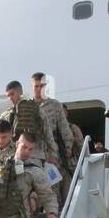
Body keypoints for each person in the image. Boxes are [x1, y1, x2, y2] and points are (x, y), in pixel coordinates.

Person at [32, 73, 75, 204]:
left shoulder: (55, 105)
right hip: (33, 154)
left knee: (53, 190)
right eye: (36, 86)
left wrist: (68, 146)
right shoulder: (27, 106)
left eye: (42, 86)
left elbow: (64, 127)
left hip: (51, 154)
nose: (39, 89)